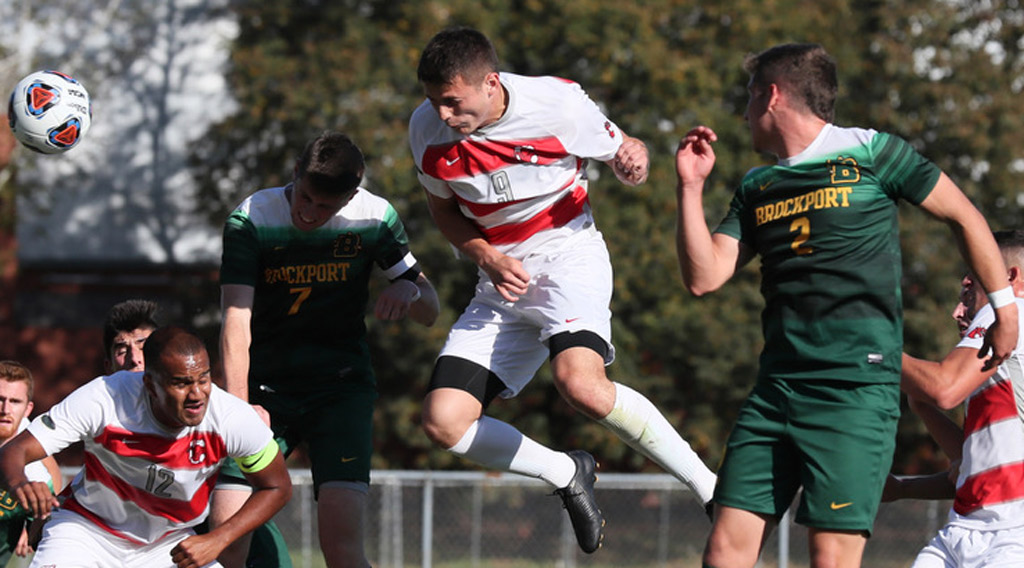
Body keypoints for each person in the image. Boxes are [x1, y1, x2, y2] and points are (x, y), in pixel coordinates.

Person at [673, 43, 1019, 568]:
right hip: (776, 391)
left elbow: (964, 217)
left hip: (853, 396)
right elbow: (704, 276)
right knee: (723, 554)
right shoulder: (757, 185)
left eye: (747, 97)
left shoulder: (873, 152)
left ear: (771, 95)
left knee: (830, 559)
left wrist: (1005, 310)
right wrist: (690, 188)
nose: (742, 113)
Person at [408, 26, 717, 554]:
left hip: (568, 258)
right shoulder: (426, 128)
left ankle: (713, 491)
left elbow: (629, 150)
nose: (441, 114)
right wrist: (484, 254)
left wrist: (633, 162)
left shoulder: (557, 103)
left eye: (452, 102)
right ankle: (565, 472)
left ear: (490, 83)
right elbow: (443, 211)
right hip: (499, 279)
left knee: (582, 386)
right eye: (435, 102)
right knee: (443, 421)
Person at [218, 130, 440, 568]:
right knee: (226, 540)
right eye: (305, 198)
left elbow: (430, 307)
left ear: (351, 195)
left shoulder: (374, 218)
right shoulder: (252, 218)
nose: (310, 213)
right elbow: (234, 320)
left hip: (340, 391)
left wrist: (409, 293)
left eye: (326, 207)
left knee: (341, 548)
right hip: (265, 393)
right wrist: (238, 408)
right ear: (296, 174)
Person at [0, 326, 292, 568]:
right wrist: (19, 481)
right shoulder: (105, 398)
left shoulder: (231, 417)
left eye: (203, 379)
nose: (196, 395)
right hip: (86, 531)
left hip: (170, 545)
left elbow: (277, 486)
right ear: (149, 384)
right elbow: (15, 450)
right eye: (180, 383)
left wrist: (218, 538)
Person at [102, 299, 292, 568]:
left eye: (143, 345)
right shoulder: (99, 411)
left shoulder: (220, 413)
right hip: (157, 540)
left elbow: (276, 486)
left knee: (229, 536)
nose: (135, 357)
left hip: (219, 537)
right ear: (108, 364)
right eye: (122, 349)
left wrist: (248, 422)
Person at [886, 229, 1024, 567]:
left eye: (969, 289)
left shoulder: (1009, 312)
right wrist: (902, 488)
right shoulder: (995, 363)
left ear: (1008, 277)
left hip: (1011, 538)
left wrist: (866, 348)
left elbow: (943, 389)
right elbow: (971, 467)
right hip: (966, 533)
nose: (956, 311)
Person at [0, 361, 61, 567]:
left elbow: (53, 485)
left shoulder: (37, 470)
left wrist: (35, 522)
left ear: (28, 409)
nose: (5, 409)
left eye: (14, 401)